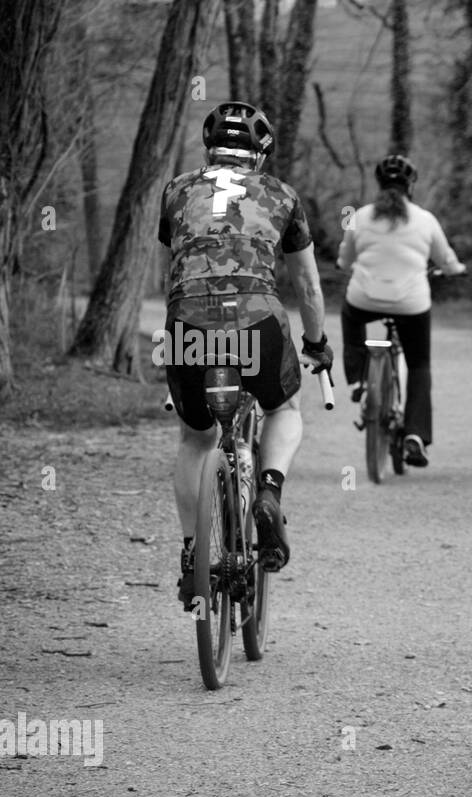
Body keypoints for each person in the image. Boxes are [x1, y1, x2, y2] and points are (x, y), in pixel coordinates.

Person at [159, 100, 332, 608]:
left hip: (188, 319)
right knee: (283, 408)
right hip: (258, 319)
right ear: (260, 153)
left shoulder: (177, 189)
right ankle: (270, 490)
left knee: (195, 438)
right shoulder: (281, 194)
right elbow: (308, 285)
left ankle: (193, 555)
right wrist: (317, 344)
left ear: (208, 150)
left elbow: (170, 266)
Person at [337, 155, 466, 467]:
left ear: (379, 185)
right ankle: (416, 435)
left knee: (351, 317)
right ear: (411, 186)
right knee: (419, 364)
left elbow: (344, 260)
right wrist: (456, 269)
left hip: (364, 299)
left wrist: (351, 266)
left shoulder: (361, 216)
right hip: (411, 304)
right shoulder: (425, 219)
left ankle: (357, 380)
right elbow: (446, 260)